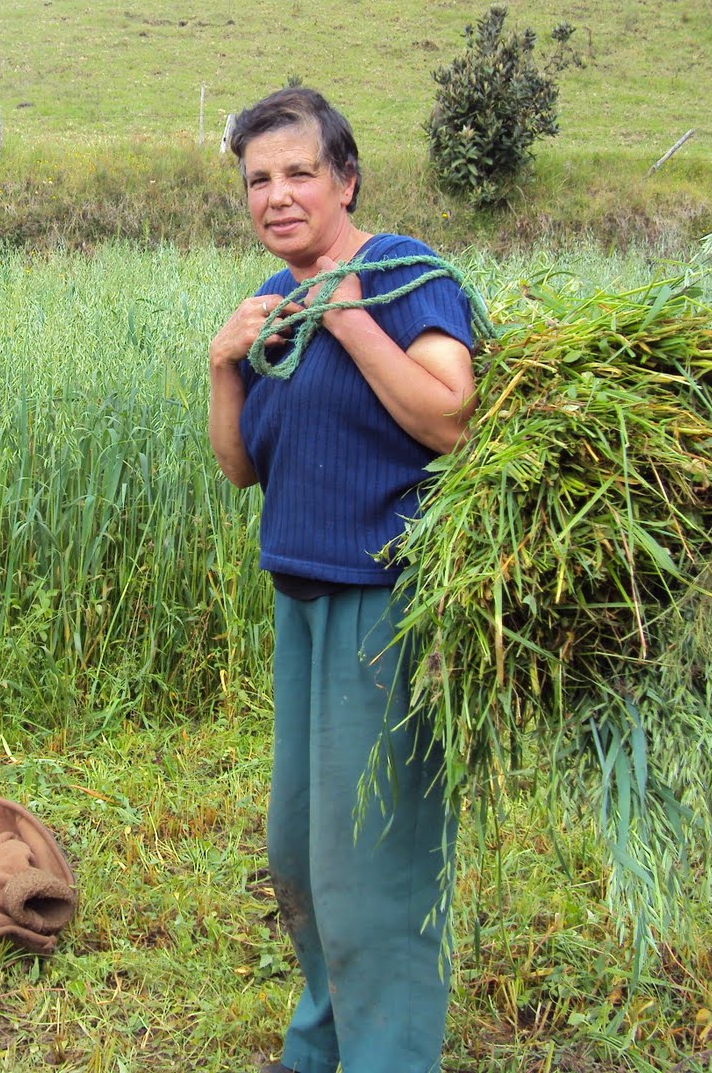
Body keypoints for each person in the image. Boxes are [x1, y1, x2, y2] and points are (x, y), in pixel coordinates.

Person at [206, 86, 478, 1073]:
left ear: (346, 180)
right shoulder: (273, 304)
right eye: (257, 180)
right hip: (304, 605)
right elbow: (243, 469)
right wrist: (223, 365)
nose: (276, 196)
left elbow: (451, 419)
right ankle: (320, 1045)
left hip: (388, 606)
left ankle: (388, 1057)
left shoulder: (404, 274)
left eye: (298, 173)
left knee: (375, 870)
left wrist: (353, 322)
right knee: (302, 861)